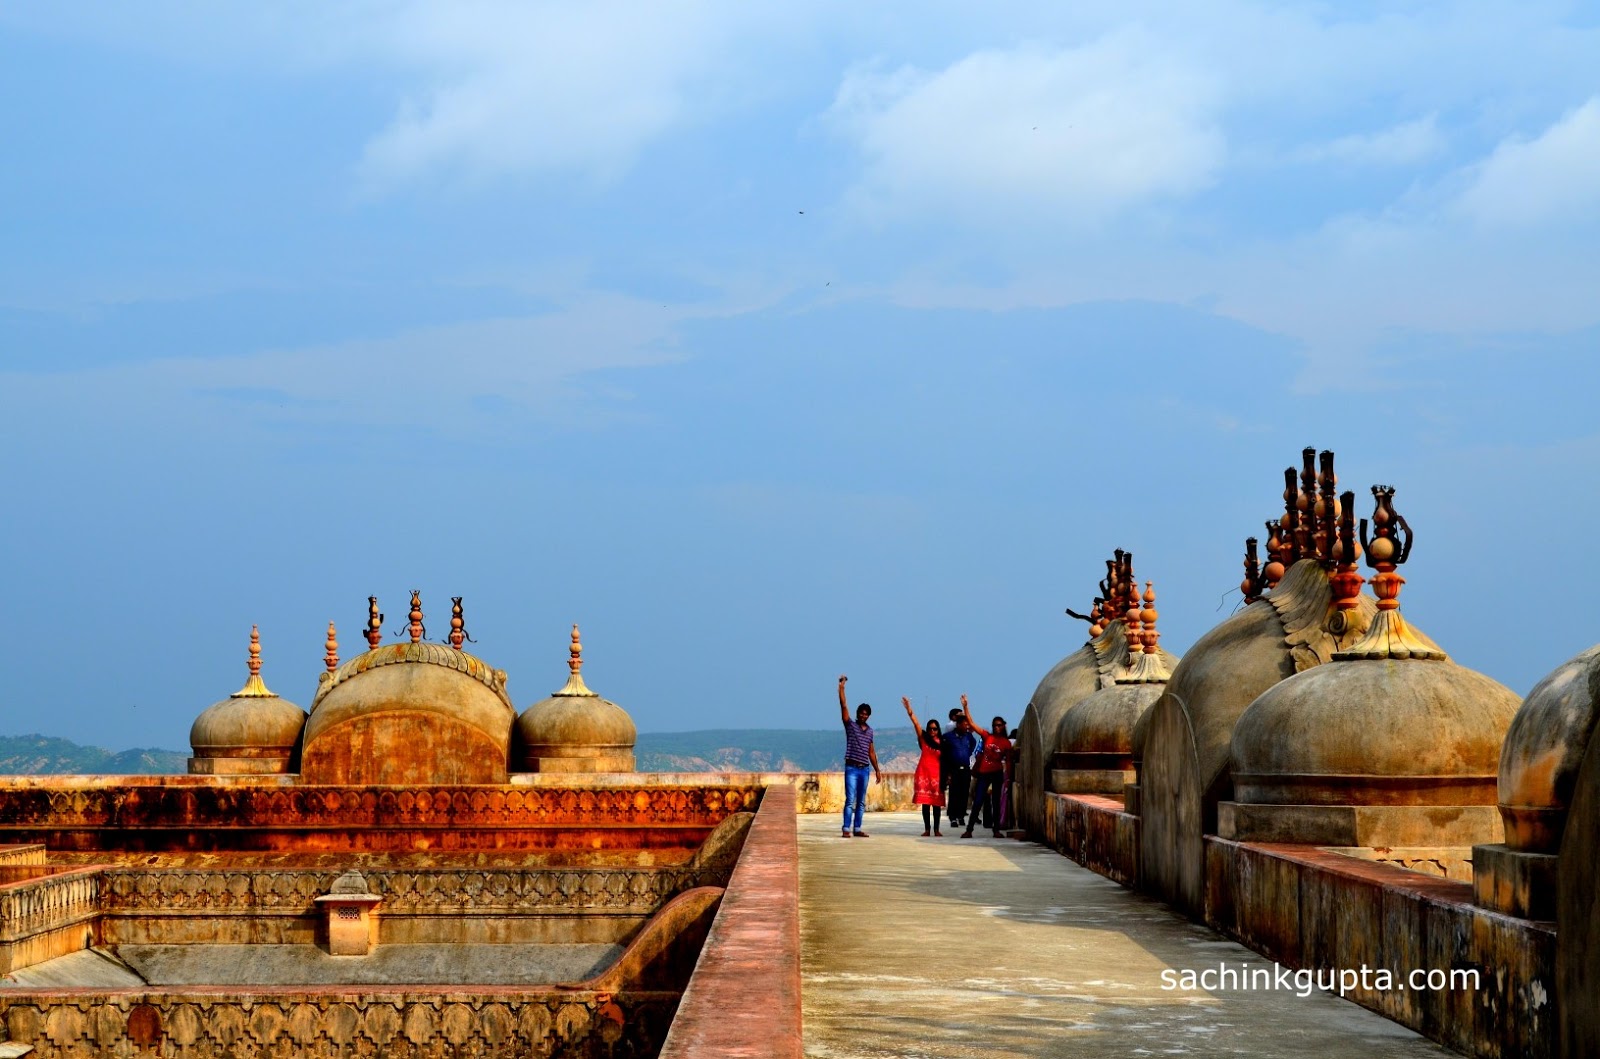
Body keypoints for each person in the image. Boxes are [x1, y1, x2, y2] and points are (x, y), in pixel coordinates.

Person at [960, 694, 1014, 839]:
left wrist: (1008, 778)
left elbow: (1008, 761)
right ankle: (969, 830)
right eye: (995, 725)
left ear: (1003, 726)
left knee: (996, 802)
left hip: (997, 774)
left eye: (999, 725)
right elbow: (971, 724)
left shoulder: (1006, 743)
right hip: (984, 773)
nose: (997, 727)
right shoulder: (987, 737)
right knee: (978, 801)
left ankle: (996, 830)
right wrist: (965, 706)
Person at [837, 675, 881, 838]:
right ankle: (846, 828)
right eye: (861, 714)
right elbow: (843, 705)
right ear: (858, 714)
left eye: (866, 714)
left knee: (861, 801)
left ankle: (857, 828)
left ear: (869, 716)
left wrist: (877, 770)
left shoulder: (870, 731)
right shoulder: (850, 725)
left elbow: (871, 752)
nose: (863, 716)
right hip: (852, 768)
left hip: (864, 769)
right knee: (850, 800)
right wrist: (841, 688)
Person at [902, 697, 945, 836]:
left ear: (938, 730)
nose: (932, 731)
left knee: (936, 804)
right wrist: (909, 710)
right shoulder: (924, 739)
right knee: (925, 804)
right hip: (924, 774)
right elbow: (916, 723)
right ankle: (927, 829)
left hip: (937, 776)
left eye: (935, 729)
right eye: (930, 729)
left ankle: (937, 829)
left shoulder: (942, 743)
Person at [940, 707, 977, 829]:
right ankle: (953, 817)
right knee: (954, 794)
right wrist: (947, 773)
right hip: (953, 769)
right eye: (965, 724)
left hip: (965, 768)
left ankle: (961, 816)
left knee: (964, 793)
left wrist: (966, 754)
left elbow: (972, 745)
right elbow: (944, 754)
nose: (967, 726)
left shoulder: (968, 736)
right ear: (959, 724)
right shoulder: (948, 737)